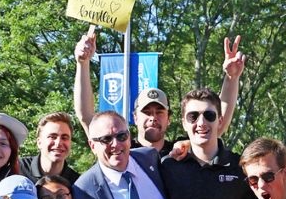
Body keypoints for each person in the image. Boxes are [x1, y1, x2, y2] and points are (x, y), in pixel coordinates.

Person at [72, 27, 245, 154]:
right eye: (146, 112)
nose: (153, 118)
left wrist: (232, 78)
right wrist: (83, 63)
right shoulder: (122, 150)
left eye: (159, 112)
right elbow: (86, 117)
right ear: (134, 117)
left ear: (169, 118)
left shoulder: (180, 152)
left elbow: (217, 125)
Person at [20, 112, 80, 185]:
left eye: (64, 138)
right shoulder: (17, 169)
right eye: (52, 137)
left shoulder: (77, 184)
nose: (58, 143)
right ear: (39, 142)